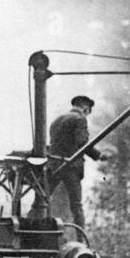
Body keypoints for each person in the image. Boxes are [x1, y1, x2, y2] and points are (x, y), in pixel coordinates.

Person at [46, 95, 103, 229]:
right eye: (88, 111)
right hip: (70, 166)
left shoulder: (56, 120)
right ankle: (81, 240)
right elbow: (82, 142)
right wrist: (98, 155)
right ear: (85, 108)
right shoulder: (80, 119)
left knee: (42, 200)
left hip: (53, 166)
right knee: (76, 205)